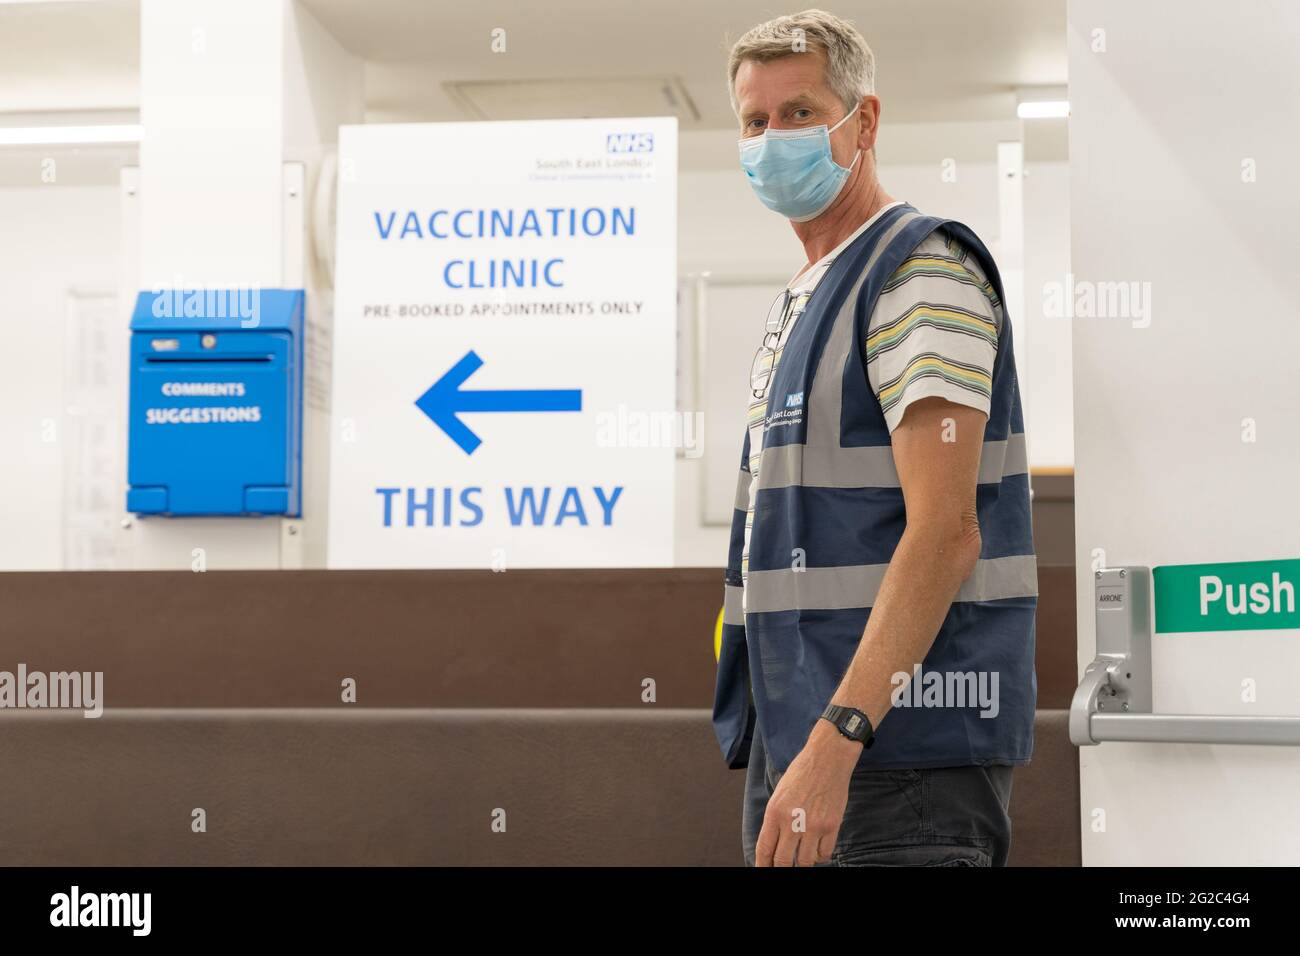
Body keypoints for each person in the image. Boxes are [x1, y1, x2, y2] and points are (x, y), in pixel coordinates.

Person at [712, 9, 1038, 867]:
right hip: (812, 739)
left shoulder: (918, 273)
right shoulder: (812, 295)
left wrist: (839, 739)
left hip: (899, 761)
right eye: (755, 120)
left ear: (865, 121)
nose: (773, 138)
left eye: (800, 113)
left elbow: (946, 532)